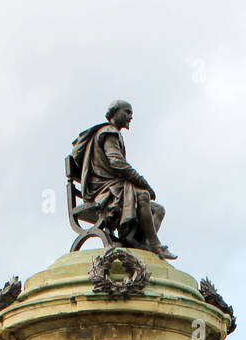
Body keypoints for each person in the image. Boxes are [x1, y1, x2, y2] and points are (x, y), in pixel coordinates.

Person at [70, 101, 176, 260]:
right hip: (103, 191)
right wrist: (142, 182)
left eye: (131, 113)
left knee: (158, 210)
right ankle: (155, 245)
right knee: (143, 195)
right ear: (114, 113)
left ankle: (142, 244)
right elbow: (116, 162)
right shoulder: (109, 132)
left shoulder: (112, 133)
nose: (130, 116)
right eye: (127, 112)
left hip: (112, 188)